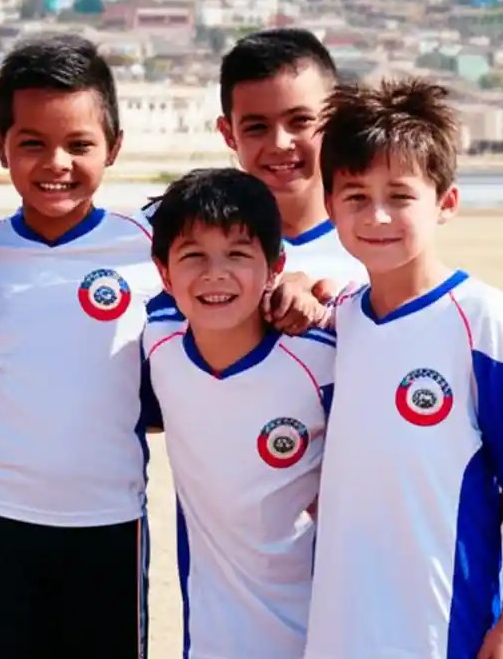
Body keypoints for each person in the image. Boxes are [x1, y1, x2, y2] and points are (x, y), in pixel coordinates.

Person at [304, 78, 503, 659]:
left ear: (446, 204)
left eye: (400, 195)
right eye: (356, 196)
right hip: (342, 617)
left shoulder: (480, 317)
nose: (377, 215)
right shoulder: (342, 318)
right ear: (331, 204)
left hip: (441, 619)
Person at [0, 33, 163, 658]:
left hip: (110, 520)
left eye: (79, 145)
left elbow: (257, 262)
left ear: (114, 147)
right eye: (33, 144)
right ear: (1, 147)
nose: (56, 164)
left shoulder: (150, 248)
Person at [140, 168, 334, 658]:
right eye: (194, 257)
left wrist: (306, 284)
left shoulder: (324, 354)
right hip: (210, 636)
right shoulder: (156, 341)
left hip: (323, 631)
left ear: (274, 266)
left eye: (238, 255)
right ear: (164, 272)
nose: (215, 274)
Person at [215, 27, 369, 289]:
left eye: (300, 121)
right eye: (257, 127)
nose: (279, 143)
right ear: (229, 134)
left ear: (336, 119)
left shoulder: (378, 245)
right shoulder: (198, 252)